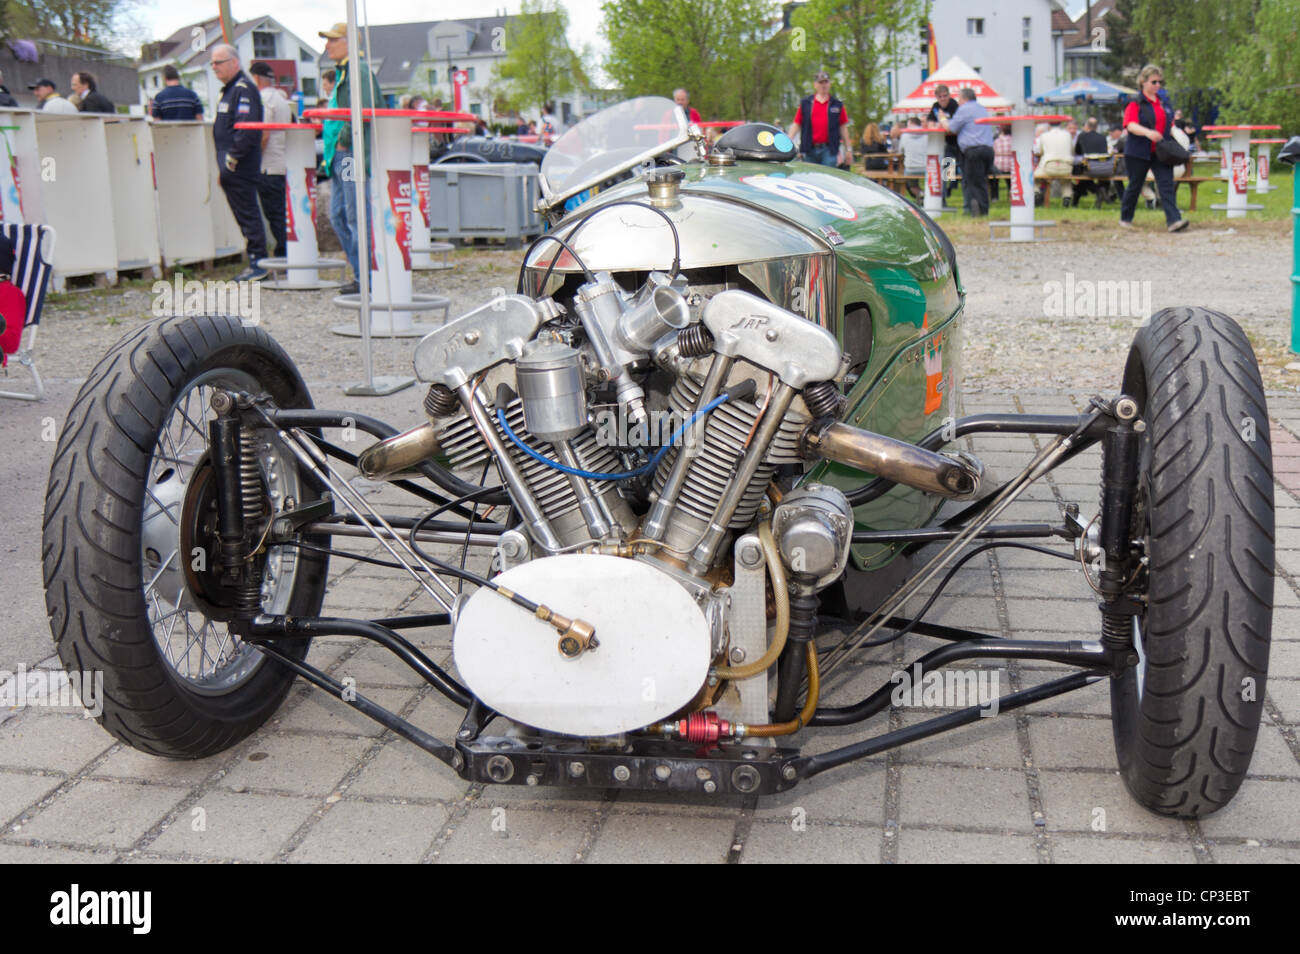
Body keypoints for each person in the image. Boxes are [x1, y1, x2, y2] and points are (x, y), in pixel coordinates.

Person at [320, 22, 383, 295]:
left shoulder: (356, 71)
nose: (327, 45)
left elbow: (364, 110)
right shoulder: (347, 71)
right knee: (340, 214)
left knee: (355, 215)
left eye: (333, 40)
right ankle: (362, 274)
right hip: (342, 152)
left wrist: (345, 138)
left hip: (350, 153)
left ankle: (367, 276)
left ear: (349, 42)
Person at [210, 44, 268, 281]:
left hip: (240, 165)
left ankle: (259, 262)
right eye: (212, 63)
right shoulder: (229, 90)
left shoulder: (243, 89)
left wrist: (232, 160)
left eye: (219, 62)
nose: (214, 68)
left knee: (248, 212)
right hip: (229, 166)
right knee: (242, 213)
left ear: (234, 62)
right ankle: (255, 258)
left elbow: (247, 130)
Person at [1120, 64, 1187, 232]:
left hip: (1160, 151)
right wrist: (1148, 133)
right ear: (1143, 82)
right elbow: (1130, 125)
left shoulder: (1163, 103)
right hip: (1138, 151)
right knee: (1135, 185)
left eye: (1160, 82)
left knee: (1166, 185)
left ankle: (1174, 221)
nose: (1157, 85)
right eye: (1154, 82)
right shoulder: (1136, 102)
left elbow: (1169, 123)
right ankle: (1125, 218)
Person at [249, 61, 291, 257]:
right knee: (282, 211)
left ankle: (283, 253)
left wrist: (254, 157)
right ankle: (287, 250)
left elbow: (264, 133)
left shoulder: (263, 100)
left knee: (274, 213)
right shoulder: (281, 99)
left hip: (268, 165)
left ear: (256, 78)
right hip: (282, 162)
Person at [944, 87, 994, 216]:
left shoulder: (964, 109)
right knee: (981, 180)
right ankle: (979, 208)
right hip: (987, 149)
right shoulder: (981, 108)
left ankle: (981, 211)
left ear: (964, 98)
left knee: (974, 182)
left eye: (959, 99)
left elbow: (951, 128)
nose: (958, 102)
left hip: (973, 151)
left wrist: (942, 119)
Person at [791, 70, 851, 167]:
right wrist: (787, 141)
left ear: (830, 84)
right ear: (815, 85)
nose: (823, 85)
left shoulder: (837, 105)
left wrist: (848, 149)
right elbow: (796, 124)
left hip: (829, 149)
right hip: (809, 149)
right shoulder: (806, 103)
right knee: (811, 179)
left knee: (827, 178)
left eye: (826, 82)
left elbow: (843, 128)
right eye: (820, 82)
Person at [927, 84, 960, 199]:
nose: (943, 99)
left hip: (958, 142)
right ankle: (945, 196)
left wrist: (943, 123)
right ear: (936, 97)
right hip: (945, 143)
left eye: (945, 96)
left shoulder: (954, 105)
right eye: (940, 96)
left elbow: (954, 127)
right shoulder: (935, 106)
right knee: (947, 169)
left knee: (959, 169)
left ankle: (953, 187)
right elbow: (930, 125)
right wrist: (942, 125)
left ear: (949, 95)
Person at [1034, 119, 1075, 206]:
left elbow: (1040, 151)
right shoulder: (1067, 135)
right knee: (1066, 180)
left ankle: (1036, 192)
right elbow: (1072, 150)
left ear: (1049, 125)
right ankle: (1067, 196)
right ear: (1061, 124)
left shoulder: (1044, 135)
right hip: (1066, 166)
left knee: (1035, 176)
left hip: (1049, 166)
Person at [900, 116, 927, 198]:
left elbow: (901, 151)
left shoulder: (904, 136)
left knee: (910, 185)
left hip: (910, 168)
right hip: (926, 167)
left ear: (911, 124)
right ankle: (926, 196)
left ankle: (921, 195)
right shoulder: (927, 135)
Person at [991, 124, 1013, 201]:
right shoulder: (1014, 140)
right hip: (1011, 167)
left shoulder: (997, 141)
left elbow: (993, 152)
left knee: (993, 180)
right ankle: (1012, 194)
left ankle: (994, 197)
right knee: (1010, 181)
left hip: (998, 167)